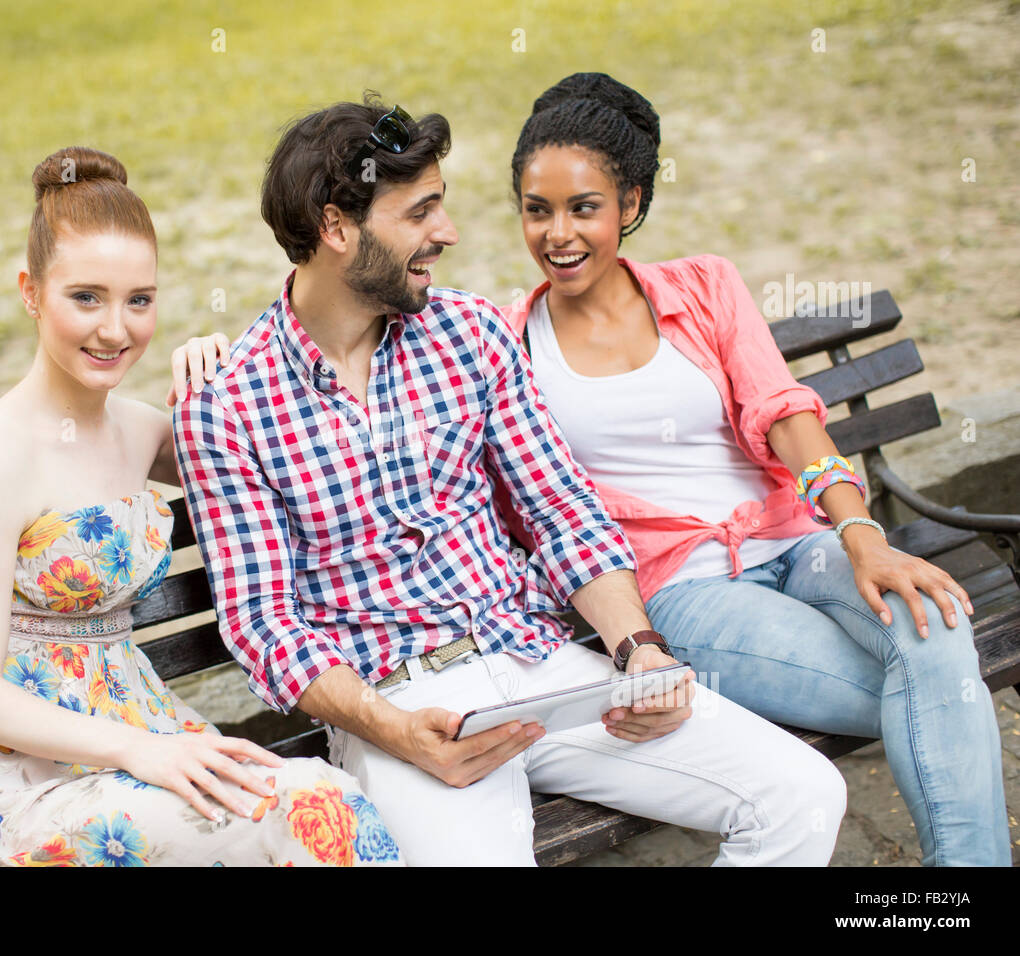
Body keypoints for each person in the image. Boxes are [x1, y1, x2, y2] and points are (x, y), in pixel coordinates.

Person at [172, 95, 847, 867]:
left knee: (801, 793)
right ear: (336, 228)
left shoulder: (471, 332)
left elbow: (562, 511)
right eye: (420, 212)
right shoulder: (227, 404)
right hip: (394, 701)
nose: (447, 233)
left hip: (543, 667)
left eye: (444, 206)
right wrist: (396, 733)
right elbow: (264, 625)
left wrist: (639, 650)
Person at [495, 72, 1010, 865]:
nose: (557, 233)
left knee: (933, 632)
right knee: (944, 685)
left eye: (583, 207)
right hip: (684, 593)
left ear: (630, 205)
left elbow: (784, 411)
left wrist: (863, 536)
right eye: (538, 209)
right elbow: (356, 332)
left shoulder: (703, 286)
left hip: (795, 543)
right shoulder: (504, 342)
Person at [0, 145, 403, 867]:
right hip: (29, 781)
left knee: (326, 801)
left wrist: (219, 374)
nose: (116, 330)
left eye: (138, 301)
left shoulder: (143, 430)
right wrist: (140, 751)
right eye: (86, 297)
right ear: (29, 291)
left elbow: (287, 458)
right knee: (307, 808)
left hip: (140, 732)